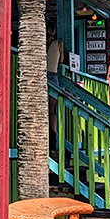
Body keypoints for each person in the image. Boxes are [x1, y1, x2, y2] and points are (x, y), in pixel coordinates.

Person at [46, 22, 64, 150]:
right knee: (51, 110)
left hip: (39, 76)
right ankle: (53, 137)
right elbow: (61, 60)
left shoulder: (39, 43)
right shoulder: (59, 44)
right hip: (52, 75)